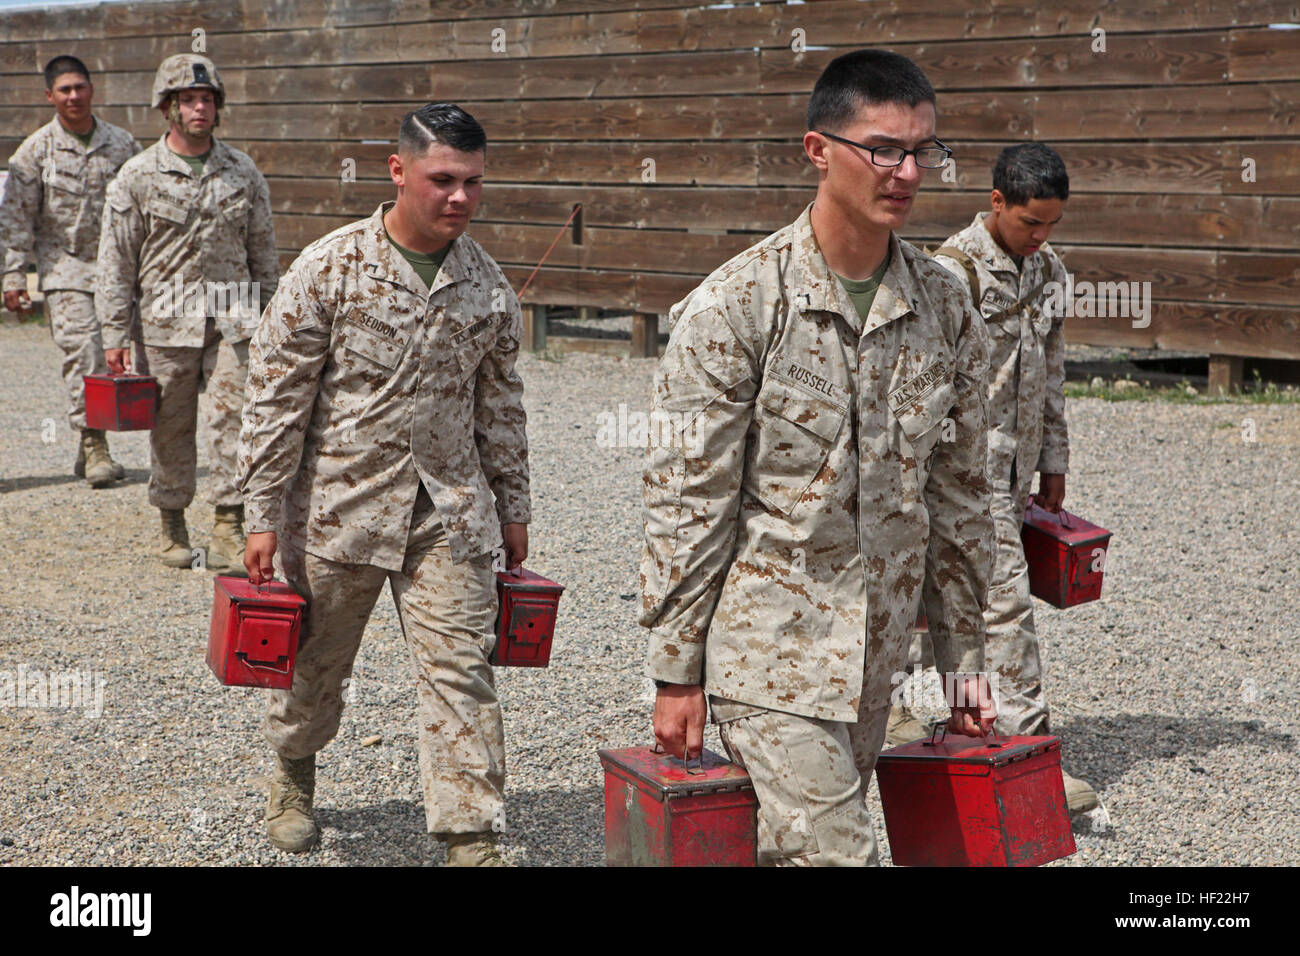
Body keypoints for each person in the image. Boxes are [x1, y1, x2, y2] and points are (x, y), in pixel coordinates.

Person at [640, 49, 997, 866]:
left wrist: (965, 668)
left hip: (877, 658)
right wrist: (674, 673)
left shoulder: (945, 305)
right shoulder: (737, 306)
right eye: (882, 149)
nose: (906, 171)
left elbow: (964, 504)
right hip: (767, 655)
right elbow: (687, 504)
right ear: (817, 150)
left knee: (783, 848)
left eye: (923, 151)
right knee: (838, 854)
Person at [237, 103, 530, 866]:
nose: (460, 197)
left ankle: (469, 834)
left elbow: (500, 404)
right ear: (398, 171)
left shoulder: (489, 286)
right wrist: (261, 512)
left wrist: (516, 507)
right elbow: (276, 397)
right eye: (443, 180)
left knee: (461, 670)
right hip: (342, 508)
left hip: (450, 512)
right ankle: (294, 773)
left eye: (472, 182)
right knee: (317, 666)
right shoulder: (329, 269)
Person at [887, 143, 1098, 814]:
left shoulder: (1048, 271)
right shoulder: (953, 274)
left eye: (1052, 226)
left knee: (942, 599)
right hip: (960, 475)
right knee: (1004, 607)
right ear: (997, 203)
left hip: (1014, 473)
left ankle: (892, 710)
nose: (1039, 237)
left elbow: (1053, 371)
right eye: (1030, 223)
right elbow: (917, 383)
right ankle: (1027, 761)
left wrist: (1054, 462)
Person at [96, 53, 277, 572]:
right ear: (168, 108)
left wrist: (274, 318)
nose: (200, 108)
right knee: (170, 426)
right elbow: (116, 262)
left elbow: (263, 251)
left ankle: (227, 525)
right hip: (166, 322)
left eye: (207, 99)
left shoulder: (242, 171)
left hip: (234, 320)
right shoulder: (137, 176)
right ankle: (171, 518)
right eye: (188, 100)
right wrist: (114, 332)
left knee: (235, 423)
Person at [0, 55, 140, 487]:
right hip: (64, 271)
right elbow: (16, 217)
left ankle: (87, 443)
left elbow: (143, 209)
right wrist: (12, 276)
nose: (74, 96)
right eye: (64, 90)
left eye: (80, 87)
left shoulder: (123, 144)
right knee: (86, 355)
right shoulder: (36, 150)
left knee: (123, 358)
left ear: (92, 89)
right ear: (49, 96)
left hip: (117, 271)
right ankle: (96, 444)